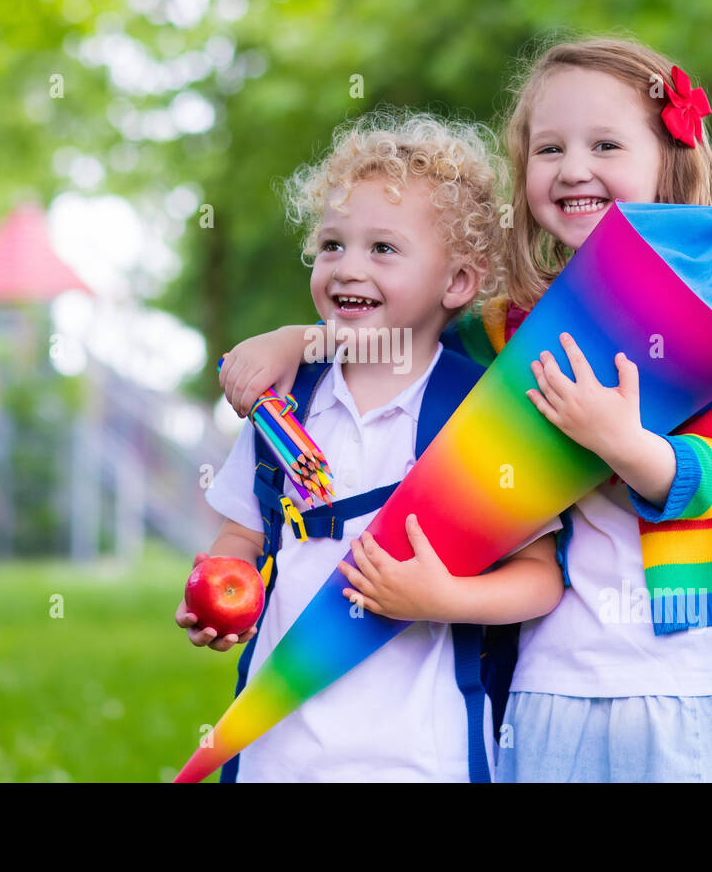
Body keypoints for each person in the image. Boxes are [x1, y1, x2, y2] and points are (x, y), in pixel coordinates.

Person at [220, 38, 712, 782]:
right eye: (549, 148)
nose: (574, 167)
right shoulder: (501, 332)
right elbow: (399, 333)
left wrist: (619, 440)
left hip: (693, 667)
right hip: (552, 666)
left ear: (669, 160)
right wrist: (297, 339)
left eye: (605, 144)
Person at [180, 109, 563, 781]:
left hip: (420, 756)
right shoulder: (283, 404)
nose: (347, 268)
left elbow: (540, 578)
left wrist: (443, 600)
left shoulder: (483, 416)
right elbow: (240, 538)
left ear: (458, 284)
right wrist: (218, 594)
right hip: (275, 749)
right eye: (331, 245)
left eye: (382, 249)